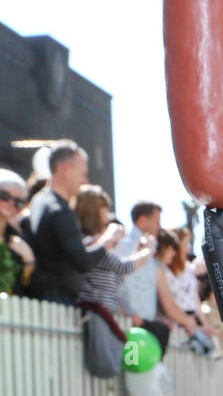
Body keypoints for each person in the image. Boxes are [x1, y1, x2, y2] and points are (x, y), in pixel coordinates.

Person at [24, 141, 121, 304]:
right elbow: (82, 262)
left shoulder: (38, 201)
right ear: (65, 169)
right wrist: (108, 238)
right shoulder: (60, 210)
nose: (85, 180)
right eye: (82, 174)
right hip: (56, 303)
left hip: (41, 300)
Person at [74, 185, 154, 335]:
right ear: (93, 214)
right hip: (97, 313)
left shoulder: (93, 243)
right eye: (103, 213)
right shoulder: (91, 243)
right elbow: (125, 267)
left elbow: (118, 276)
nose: (107, 218)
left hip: (104, 314)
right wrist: (147, 251)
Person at [116, 202, 172, 355]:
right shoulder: (125, 246)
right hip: (131, 323)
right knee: (134, 368)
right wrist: (129, 311)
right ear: (142, 220)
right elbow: (119, 280)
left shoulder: (148, 250)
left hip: (145, 323)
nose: (159, 227)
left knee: (148, 370)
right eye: (156, 220)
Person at [153, 231, 200, 343]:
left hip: (172, 326)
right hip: (161, 327)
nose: (174, 252)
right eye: (174, 247)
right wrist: (189, 323)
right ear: (165, 248)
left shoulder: (160, 268)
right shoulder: (158, 269)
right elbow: (169, 306)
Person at [0, 169, 36, 295]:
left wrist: (29, 260)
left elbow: (25, 286)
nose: (10, 204)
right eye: (4, 196)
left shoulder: (18, 238)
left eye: (17, 202)